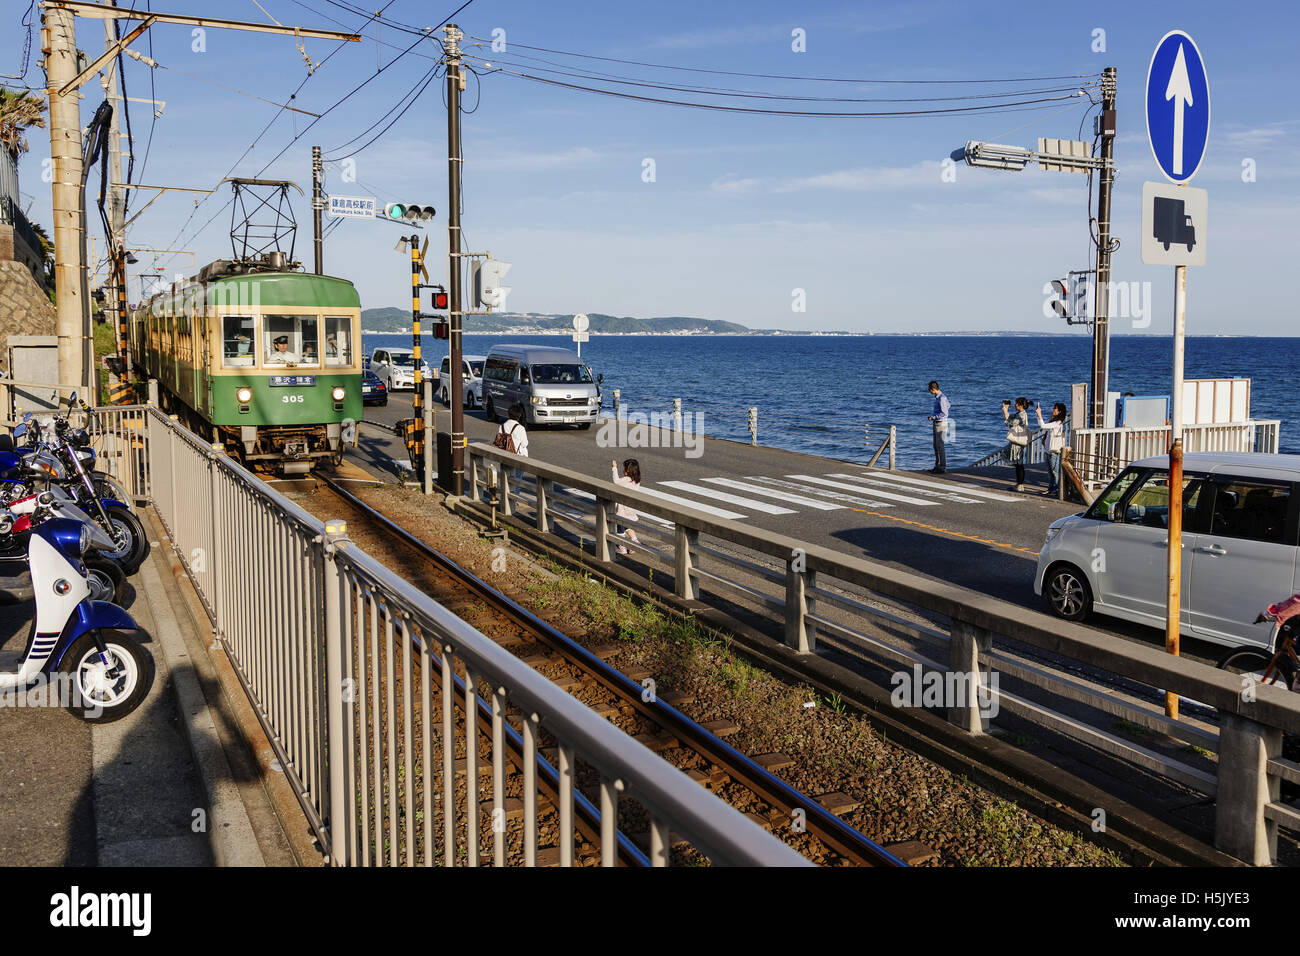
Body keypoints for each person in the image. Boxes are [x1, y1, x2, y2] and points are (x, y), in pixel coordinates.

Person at [610, 458, 641, 556]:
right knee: (628, 526)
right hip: (631, 509)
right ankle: (634, 542)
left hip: (623, 510)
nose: (622, 469)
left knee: (620, 529)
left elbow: (616, 481)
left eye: (624, 468)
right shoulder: (636, 480)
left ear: (627, 470)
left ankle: (622, 547)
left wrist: (614, 468)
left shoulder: (626, 480)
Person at [1037, 401, 1068, 497]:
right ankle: (1051, 489)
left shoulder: (1058, 423)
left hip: (1054, 451)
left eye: (1055, 408)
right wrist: (1038, 416)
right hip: (1048, 450)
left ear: (1059, 412)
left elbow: (1043, 426)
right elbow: (1042, 424)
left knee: (1055, 472)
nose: (1053, 410)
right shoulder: (1053, 420)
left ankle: (1057, 490)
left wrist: (1039, 414)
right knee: (1050, 472)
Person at [1002, 397, 1031, 492]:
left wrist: (1005, 411)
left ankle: (1020, 485)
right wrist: (1006, 410)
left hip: (1018, 443)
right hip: (1017, 442)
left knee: (1019, 464)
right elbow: (1010, 418)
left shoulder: (1022, 415)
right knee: (1018, 464)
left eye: (1016, 404)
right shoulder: (1020, 414)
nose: (1015, 405)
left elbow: (1010, 424)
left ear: (1021, 405)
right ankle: (1019, 484)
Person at [927, 381, 950, 474]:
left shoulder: (942, 398)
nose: (930, 392)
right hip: (937, 423)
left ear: (933, 389)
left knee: (940, 446)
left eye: (930, 390)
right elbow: (949, 405)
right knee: (936, 445)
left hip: (941, 424)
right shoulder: (940, 397)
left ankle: (942, 467)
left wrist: (934, 417)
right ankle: (938, 465)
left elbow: (944, 413)